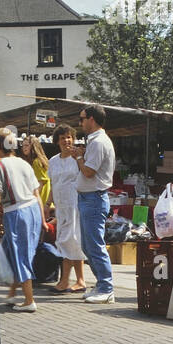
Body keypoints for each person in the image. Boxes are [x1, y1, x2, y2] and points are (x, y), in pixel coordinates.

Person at [0, 129, 43, 312]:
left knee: (20, 254)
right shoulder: (24, 164)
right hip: (32, 209)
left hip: (16, 213)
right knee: (12, 251)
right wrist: (41, 218)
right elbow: (37, 193)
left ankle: (29, 300)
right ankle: (12, 292)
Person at [73, 104, 116, 303]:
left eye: (82, 118)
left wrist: (79, 156)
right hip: (89, 197)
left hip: (94, 198)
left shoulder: (99, 142)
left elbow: (89, 171)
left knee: (95, 245)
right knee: (88, 245)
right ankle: (101, 285)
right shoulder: (94, 141)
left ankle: (106, 288)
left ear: (91, 119)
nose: (80, 122)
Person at [45, 125, 87, 292]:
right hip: (61, 207)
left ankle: (66, 281)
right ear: (57, 141)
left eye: (69, 137)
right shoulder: (53, 161)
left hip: (75, 204)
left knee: (70, 240)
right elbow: (53, 184)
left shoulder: (77, 159)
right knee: (67, 241)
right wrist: (48, 204)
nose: (66, 140)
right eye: (63, 138)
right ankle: (79, 280)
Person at [19, 134, 53, 210]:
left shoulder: (37, 162)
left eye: (27, 145)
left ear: (33, 146)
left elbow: (40, 183)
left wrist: (30, 202)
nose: (24, 148)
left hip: (41, 204)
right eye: (23, 145)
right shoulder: (40, 160)